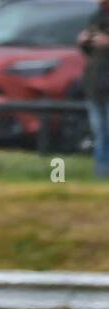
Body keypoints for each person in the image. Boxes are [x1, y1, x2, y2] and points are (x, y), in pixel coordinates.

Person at [78, 0, 109, 178]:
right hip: (95, 84)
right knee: (99, 132)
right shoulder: (96, 16)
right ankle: (102, 172)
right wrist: (84, 41)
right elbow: (91, 51)